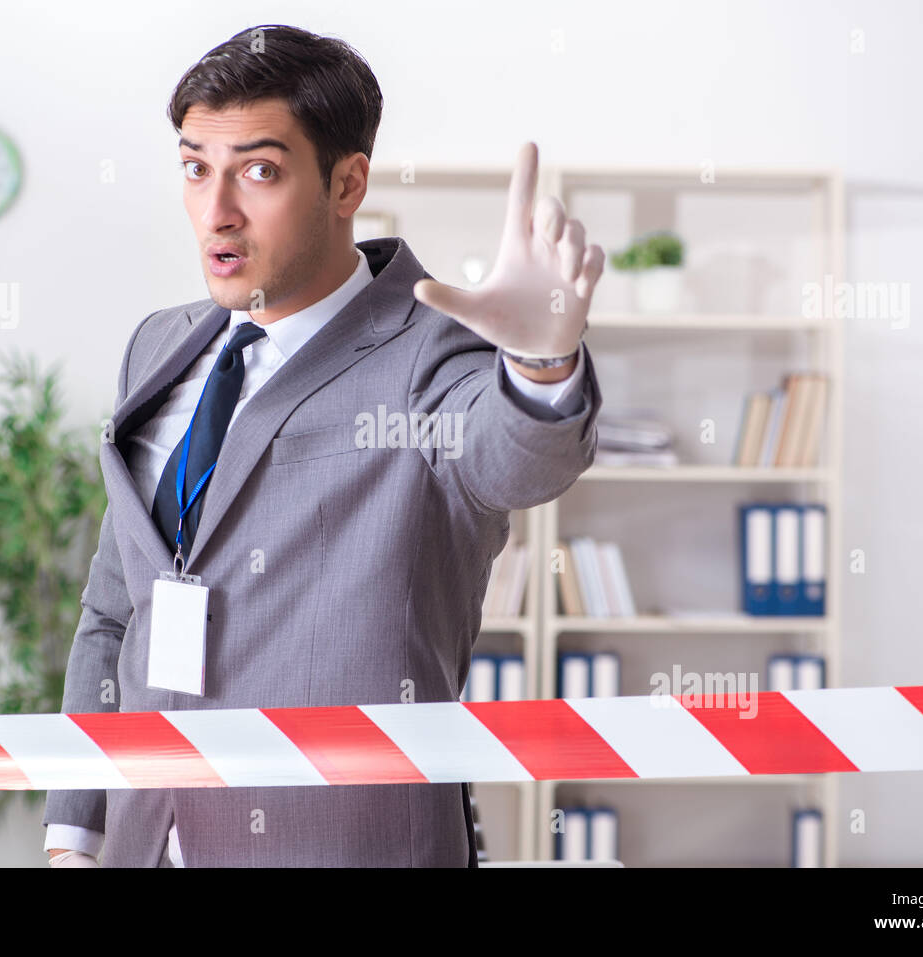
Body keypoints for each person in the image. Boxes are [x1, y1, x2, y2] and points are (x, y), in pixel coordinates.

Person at [44, 22, 604, 867]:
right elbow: (117, 609)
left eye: (259, 172)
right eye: (197, 169)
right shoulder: (156, 348)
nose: (217, 212)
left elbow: (514, 459)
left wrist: (539, 364)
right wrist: (75, 833)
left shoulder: (430, 350)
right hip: (145, 843)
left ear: (348, 184)